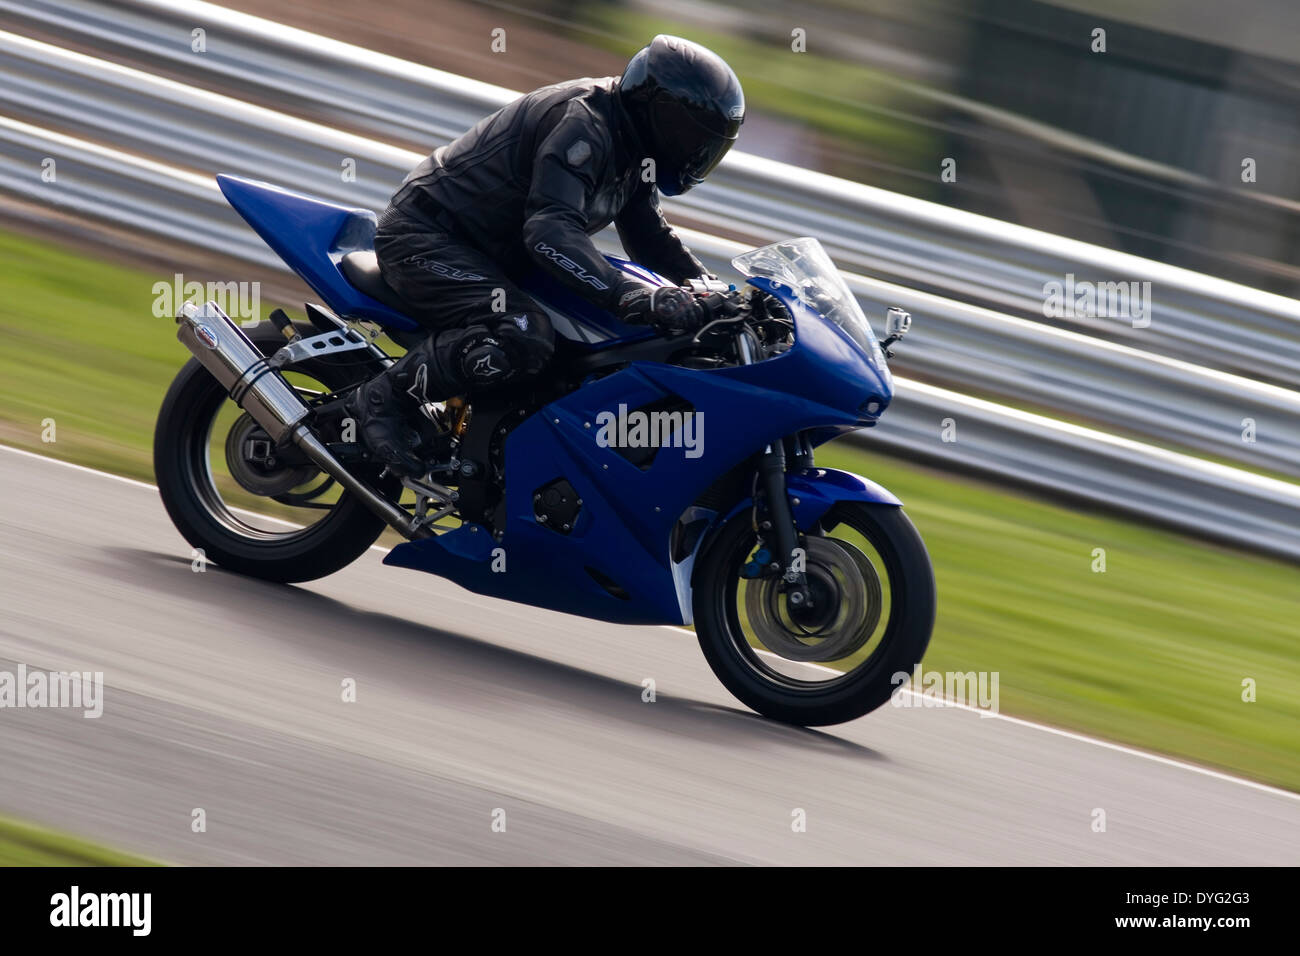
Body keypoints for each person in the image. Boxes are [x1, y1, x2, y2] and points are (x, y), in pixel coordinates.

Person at [346, 34, 745, 475]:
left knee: (582, 342)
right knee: (525, 331)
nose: (697, 152)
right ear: (660, 113)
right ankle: (382, 398)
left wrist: (715, 293)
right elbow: (549, 230)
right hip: (428, 236)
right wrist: (630, 295)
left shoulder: (634, 148)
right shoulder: (586, 125)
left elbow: (650, 237)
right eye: (693, 138)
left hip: (491, 253)